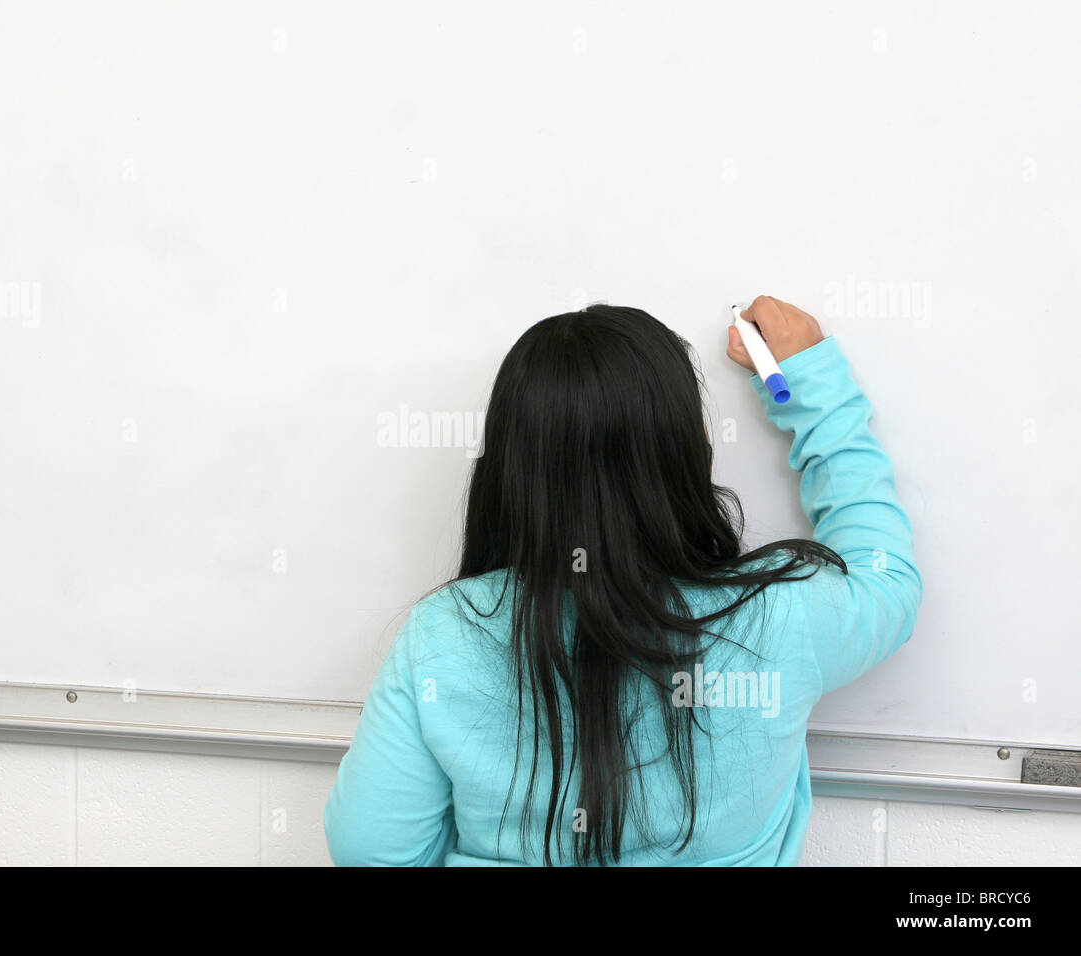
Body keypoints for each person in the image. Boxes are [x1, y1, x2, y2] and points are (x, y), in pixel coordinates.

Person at [324, 295, 922, 866]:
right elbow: (886, 577)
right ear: (693, 448)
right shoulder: (780, 614)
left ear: (510, 467)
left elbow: (370, 849)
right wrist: (810, 384)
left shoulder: (445, 631)